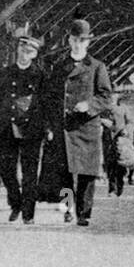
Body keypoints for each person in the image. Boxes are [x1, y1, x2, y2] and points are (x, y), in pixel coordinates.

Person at [57, 19, 113, 226]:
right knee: (64, 173)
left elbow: (106, 96)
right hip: (65, 127)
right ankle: (66, 209)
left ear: (88, 42)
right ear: (69, 40)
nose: (78, 43)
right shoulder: (60, 66)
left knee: (87, 173)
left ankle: (83, 213)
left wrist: (89, 105)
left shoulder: (97, 67)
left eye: (82, 40)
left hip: (87, 126)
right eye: (74, 39)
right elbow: (51, 95)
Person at [0, 31, 49, 223]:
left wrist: (45, 126)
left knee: (29, 172)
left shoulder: (40, 76)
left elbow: (46, 102)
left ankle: (28, 213)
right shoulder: (5, 73)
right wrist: (5, 116)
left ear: (34, 54)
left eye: (29, 50)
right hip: (9, 126)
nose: (24, 53)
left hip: (32, 128)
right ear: (17, 50)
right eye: (22, 49)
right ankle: (15, 202)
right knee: (6, 169)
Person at [101, 90, 133, 197]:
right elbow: (98, 119)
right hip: (107, 140)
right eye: (111, 95)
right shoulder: (104, 108)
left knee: (120, 165)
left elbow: (129, 122)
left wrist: (126, 130)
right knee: (110, 164)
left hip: (120, 140)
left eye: (115, 94)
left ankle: (119, 187)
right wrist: (103, 122)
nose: (113, 97)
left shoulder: (123, 108)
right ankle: (112, 189)